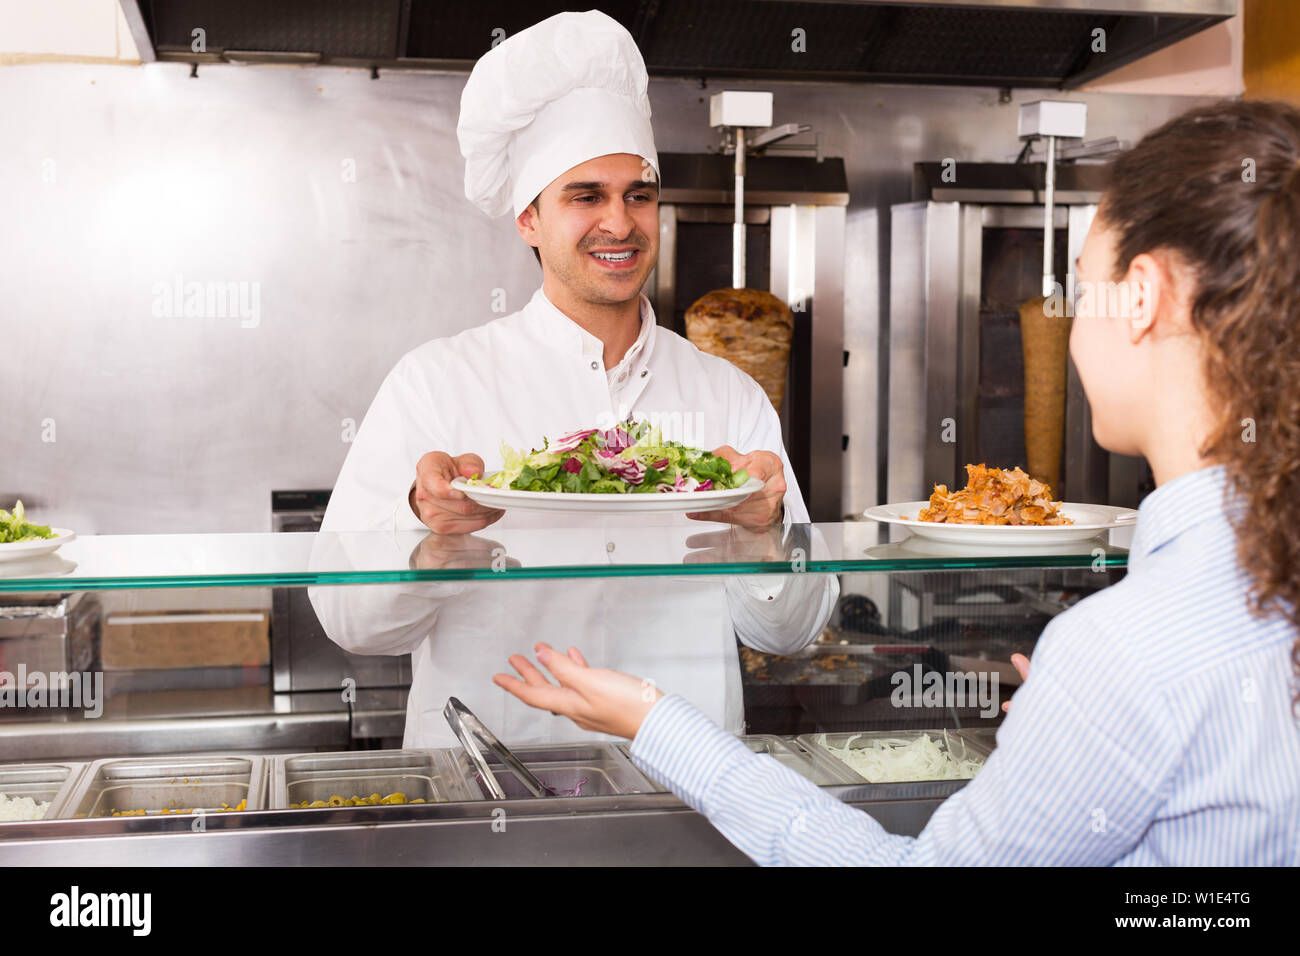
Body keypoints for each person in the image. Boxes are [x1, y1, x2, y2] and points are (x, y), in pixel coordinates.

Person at [496, 98, 1300, 865]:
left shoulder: (1128, 647)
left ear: (1145, 298)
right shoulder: (1219, 604)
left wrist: (655, 721)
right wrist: (1079, 729)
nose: (1070, 325)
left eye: (1080, 287)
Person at [309, 11, 837, 749]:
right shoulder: (436, 383)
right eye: (585, 196)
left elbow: (791, 633)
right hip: (493, 793)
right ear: (528, 219)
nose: (619, 223)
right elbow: (350, 625)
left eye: (639, 194)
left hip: (684, 798)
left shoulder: (729, 396)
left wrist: (761, 534)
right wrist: (430, 537)